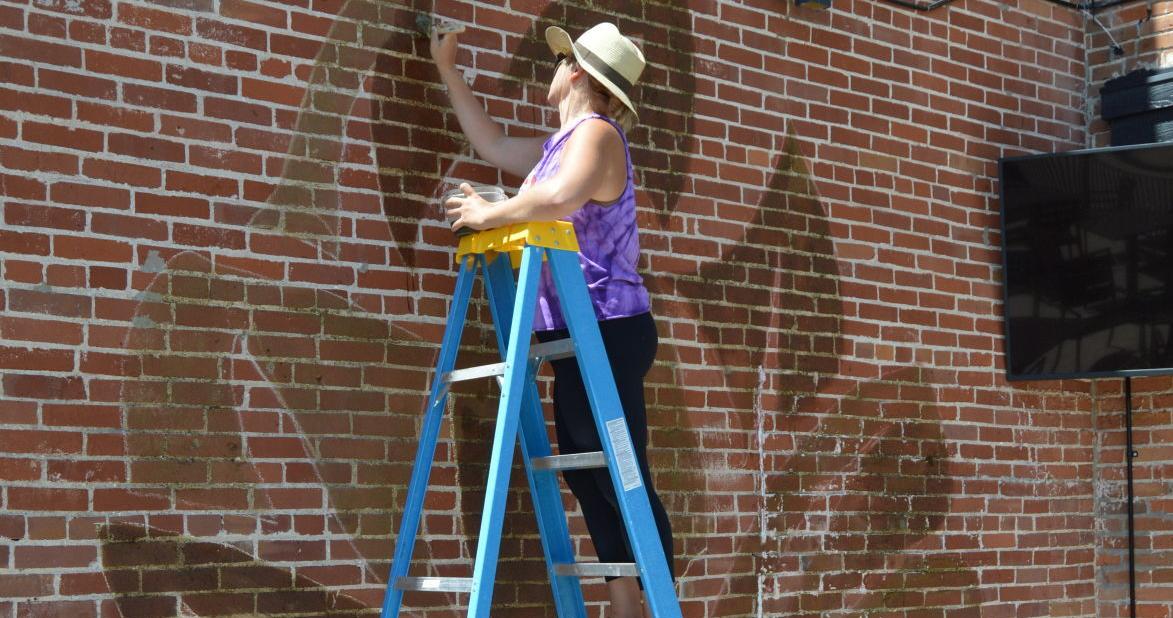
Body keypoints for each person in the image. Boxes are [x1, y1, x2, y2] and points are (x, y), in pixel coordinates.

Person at [430, 21, 674, 618]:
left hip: (611, 329)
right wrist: (447, 71)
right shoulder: (558, 147)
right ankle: (623, 605)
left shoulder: (598, 135)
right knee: (587, 467)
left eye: (560, 60)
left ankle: (660, 603)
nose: (552, 68)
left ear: (578, 74)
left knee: (620, 468)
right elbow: (492, 145)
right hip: (575, 333)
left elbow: (559, 200)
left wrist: (491, 213)